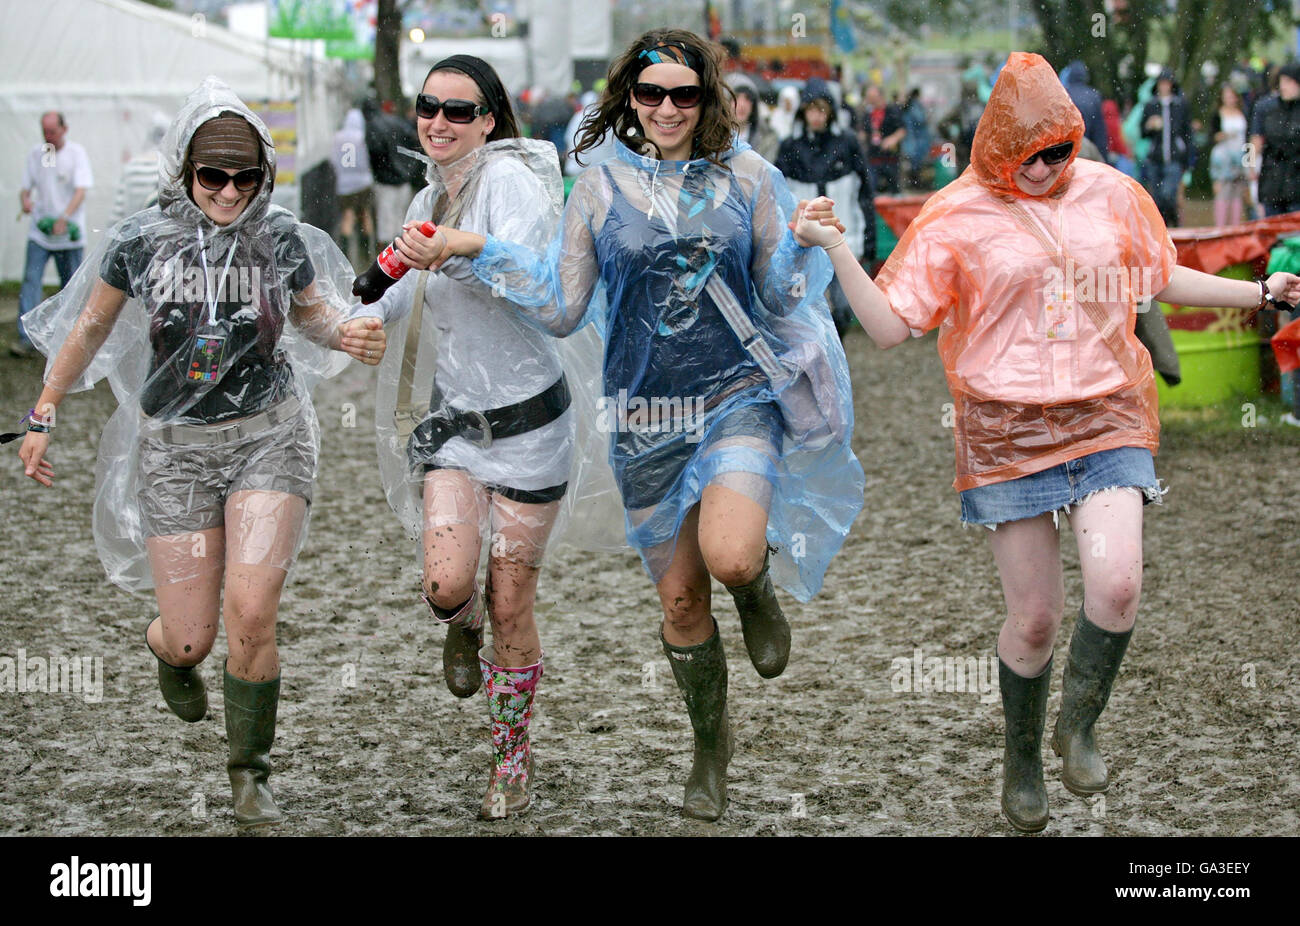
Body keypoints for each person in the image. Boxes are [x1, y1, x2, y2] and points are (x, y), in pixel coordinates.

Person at [793, 53, 1300, 833]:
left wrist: (1262, 291)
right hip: (1004, 426)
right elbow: (892, 327)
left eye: (1061, 150)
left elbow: (1159, 279)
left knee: (1119, 584)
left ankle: (1080, 724)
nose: (1048, 167)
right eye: (1031, 155)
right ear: (998, 145)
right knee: (1034, 620)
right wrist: (834, 251)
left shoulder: (1113, 194)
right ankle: (1023, 756)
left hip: (1106, 412)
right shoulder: (954, 214)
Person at [425, 30, 865, 821]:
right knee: (681, 606)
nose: (666, 108)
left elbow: (775, 293)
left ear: (708, 100)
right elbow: (562, 307)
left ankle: (756, 586)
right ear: (630, 98)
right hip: (643, 417)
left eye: (684, 94)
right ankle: (710, 746)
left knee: (728, 558)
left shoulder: (751, 177)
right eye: (650, 93)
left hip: (734, 399)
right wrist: (477, 246)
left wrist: (803, 245)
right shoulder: (594, 188)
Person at [17, 77, 386, 828]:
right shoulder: (140, 240)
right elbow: (85, 330)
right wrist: (42, 410)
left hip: (269, 438)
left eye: (244, 176)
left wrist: (347, 331)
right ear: (184, 170)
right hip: (175, 452)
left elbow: (315, 316)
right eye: (211, 175)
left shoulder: (278, 235)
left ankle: (249, 771)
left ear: (265, 174)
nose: (227, 190)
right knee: (192, 638)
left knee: (252, 611)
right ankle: (170, 652)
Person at [349, 55, 601, 820]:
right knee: (449, 586)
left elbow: (550, 295)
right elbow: (403, 287)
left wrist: (467, 247)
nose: (438, 123)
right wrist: (362, 323)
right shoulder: (433, 191)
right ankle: (461, 629)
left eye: (459, 111)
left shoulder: (514, 184)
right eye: (429, 107)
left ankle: (510, 764)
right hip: (455, 430)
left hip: (529, 431)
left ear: (490, 120)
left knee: (512, 599)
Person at [775, 78, 875, 336]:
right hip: (805, 242)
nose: (816, 116)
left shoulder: (847, 142)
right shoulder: (790, 147)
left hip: (845, 238)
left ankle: (836, 348)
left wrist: (869, 236)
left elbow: (865, 191)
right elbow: (777, 195)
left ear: (830, 111)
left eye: (821, 109)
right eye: (810, 109)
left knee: (843, 308)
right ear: (802, 111)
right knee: (807, 309)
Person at [15, 112, 93, 358]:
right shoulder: (39, 155)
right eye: (44, 132)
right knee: (31, 280)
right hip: (41, 233)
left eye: (52, 132)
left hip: (68, 236)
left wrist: (64, 218)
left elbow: (81, 191)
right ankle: (25, 337)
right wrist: (25, 201)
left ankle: (70, 340)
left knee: (71, 287)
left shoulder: (76, 153)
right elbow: (26, 188)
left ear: (64, 129)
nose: (48, 137)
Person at [1139, 69, 1193, 227]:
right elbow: (1143, 132)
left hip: (1174, 157)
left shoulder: (1180, 105)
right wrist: (1150, 125)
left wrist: (1188, 159)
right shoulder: (1151, 105)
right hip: (1155, 157)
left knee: (1168, 194)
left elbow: (1187, 132)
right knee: (1157, 198)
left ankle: (1171, 222)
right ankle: (1164, 227)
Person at [1250, 62, 1300, 217]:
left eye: (1289, 82)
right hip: (1272, 179)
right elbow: (1254, 139)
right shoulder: (1265, 107)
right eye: (1282, 81)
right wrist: (1250, 166)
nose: (1284, 86)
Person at [331, 107, 376, 266]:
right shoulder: (362, 137)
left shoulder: (338, 137)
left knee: (347, 216)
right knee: (365, 215)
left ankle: (345, 256)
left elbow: (334, 160)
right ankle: (366, 254)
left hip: (344, 184)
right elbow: (367, 159)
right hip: (363, 182)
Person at [111, 112, 170, 224]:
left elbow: (117, 213)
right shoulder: (172, 167)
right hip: (162, 232)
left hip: (133, 231)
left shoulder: (132, 165)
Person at [1210, 84, 1250, 226]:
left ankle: (1235, 225)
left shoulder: (1243, 113)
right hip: (1223, 157)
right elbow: (1212, 136)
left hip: (1240, 155)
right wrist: (1223, 135)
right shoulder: (1218, 114)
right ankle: (1220, 227)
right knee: (1222, 192)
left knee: (1238, 192)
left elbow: (1249, 137)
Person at [859, 84, 905, 194]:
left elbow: (902, 129)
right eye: (869, 98)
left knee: (894, 186)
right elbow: (864, 132)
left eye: (873, 98)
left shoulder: (892, 110)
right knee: (871, 186)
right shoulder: (868, 114)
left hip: (890, 157)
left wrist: (893, 139)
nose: (871, 101)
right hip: (873, 157)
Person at [726, 72, 778, 162]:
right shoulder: (714, 138)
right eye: (736, 97)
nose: (742, 105)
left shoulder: (767, 137)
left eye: (747, 98)